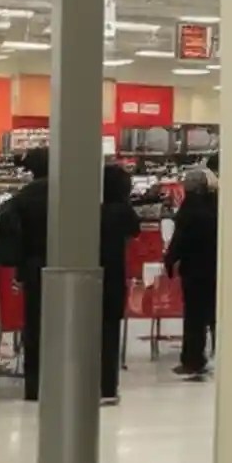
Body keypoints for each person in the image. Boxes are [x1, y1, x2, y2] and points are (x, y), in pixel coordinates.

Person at [164, 167, 219, 376]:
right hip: (214, 267)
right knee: (214, 314)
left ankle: (193, 359)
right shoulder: (215, 206)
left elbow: (180, 239)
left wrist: (170, 260)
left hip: (194, 270)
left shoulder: (188, 209)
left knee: (194, 317)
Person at [9, 148, 50, 402]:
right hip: (67, 267)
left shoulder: (22, 198)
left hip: (33, 268)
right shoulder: (68, 193)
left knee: (33, 326)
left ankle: (33, 385)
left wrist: (18, 269)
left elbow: (12, 238)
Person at [99, 164, 141, 403]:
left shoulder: (93, 209)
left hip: (89, 274)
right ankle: (107, 387)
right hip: (114, 276)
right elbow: (135, 231)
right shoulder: (124, 212)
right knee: (110, 332)